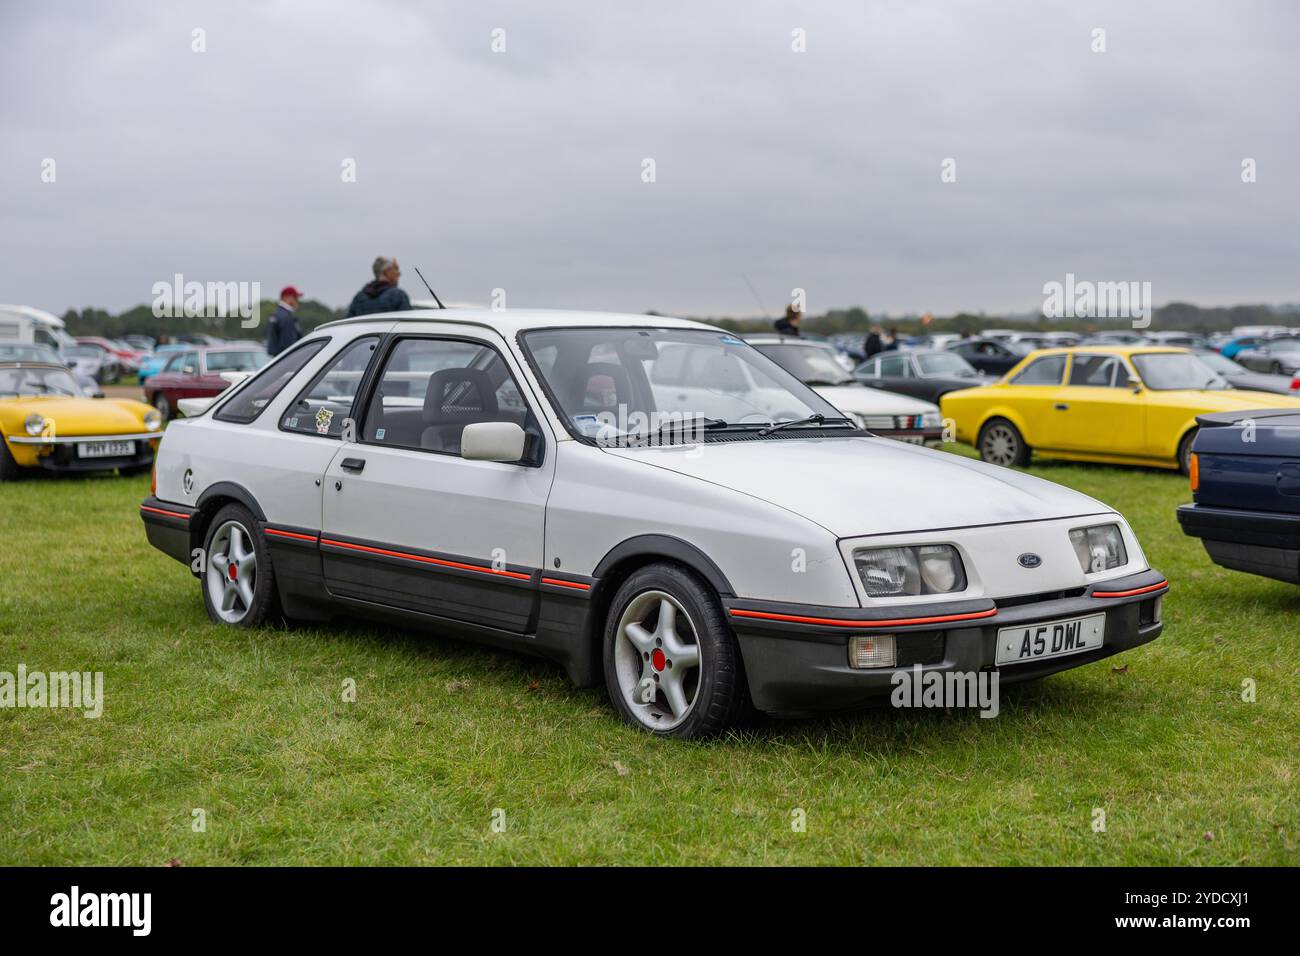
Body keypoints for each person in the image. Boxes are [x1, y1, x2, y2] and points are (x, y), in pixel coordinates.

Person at [347, 256, 412, 317]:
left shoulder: (359, 298)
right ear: (387, 271)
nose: (399, 273)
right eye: (396, 268)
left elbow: (349, 323)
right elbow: (408, 324)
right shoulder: (398, 295)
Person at [265, 285, 304, 356]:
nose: (297, 300)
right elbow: (289, 346)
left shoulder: (276, 314)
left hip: (277, 360)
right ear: (286, 297)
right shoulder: (286, 317)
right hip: (287, 362)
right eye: (295, 297)